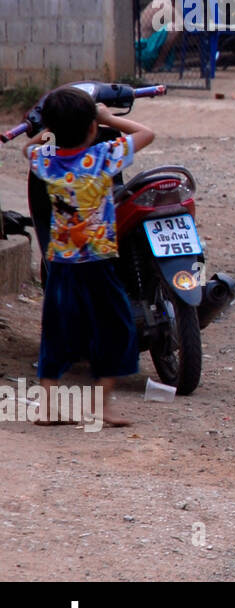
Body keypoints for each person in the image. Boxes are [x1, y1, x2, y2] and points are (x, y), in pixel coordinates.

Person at [24, 87, 155, 427]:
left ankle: (48, 405)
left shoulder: (46, 161)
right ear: (93, 128)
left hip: (62, 265)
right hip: (100, 264)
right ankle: (102, 403)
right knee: (116, 330)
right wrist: (109, 117)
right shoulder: (103, 157)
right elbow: (147, 134)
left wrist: (45, 133)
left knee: (56, 332)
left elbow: (28, 149)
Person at [134, 0, 182, 72]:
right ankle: (158, 64)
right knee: (174, 27)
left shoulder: (157, 2)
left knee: (170, 28)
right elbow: (181, 24)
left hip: (139, 50)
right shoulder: (165, 3)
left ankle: (160, 64)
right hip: (145, 50)